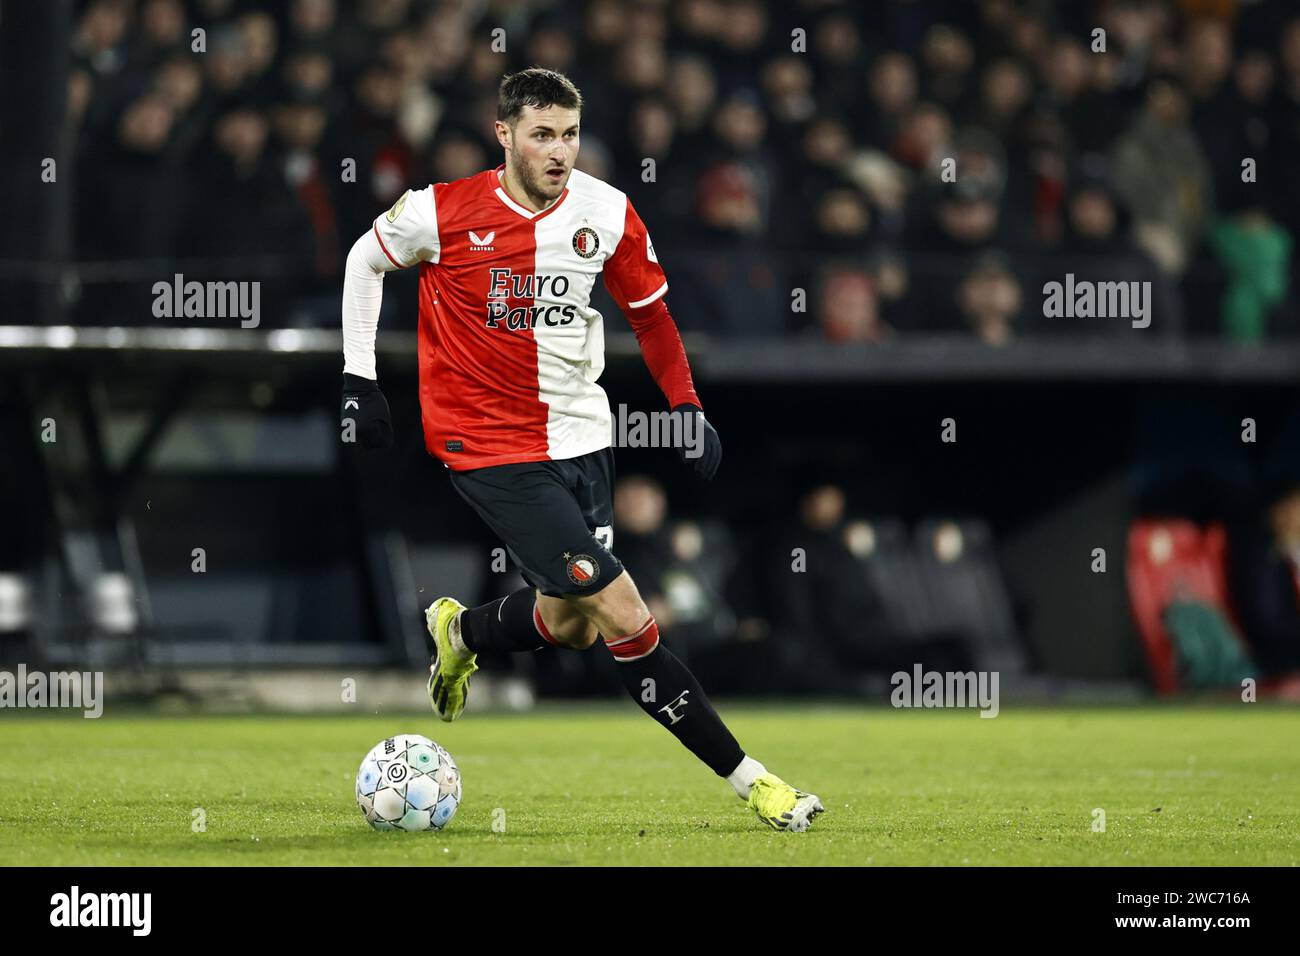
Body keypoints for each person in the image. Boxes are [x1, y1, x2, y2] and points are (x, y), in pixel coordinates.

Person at [337, 68, 822, 832]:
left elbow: (652, 316)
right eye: (541, 134)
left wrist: (686, 406)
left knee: (572, 623)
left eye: (569, 134)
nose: (558, 150)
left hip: (581, 438)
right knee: (626, 614)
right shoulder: (442, 210)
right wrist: (359, 381)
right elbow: (363, 261)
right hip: (486, 447)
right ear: (505, 135)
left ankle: (458, 632)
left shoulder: (607, 212)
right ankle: (755, 782)